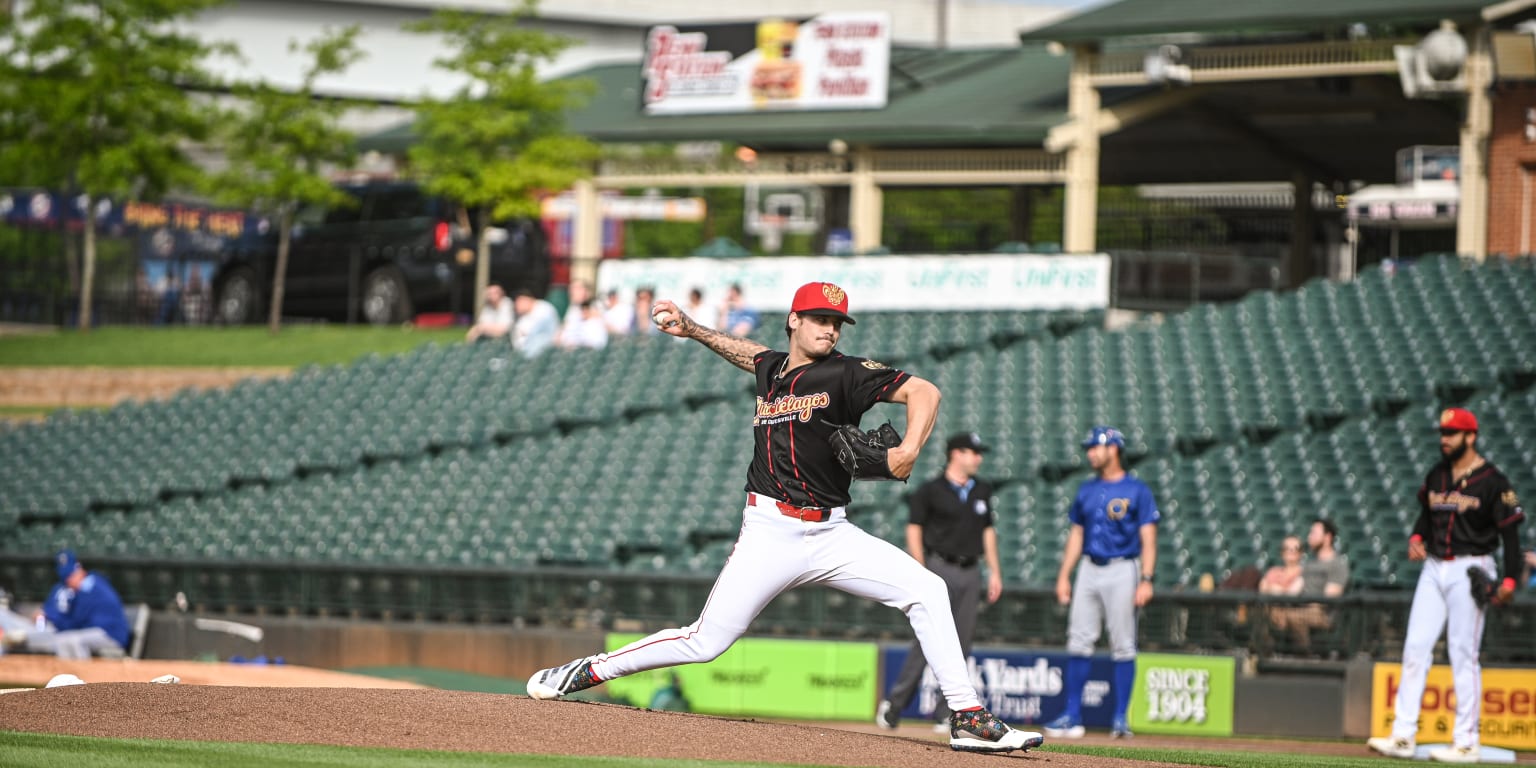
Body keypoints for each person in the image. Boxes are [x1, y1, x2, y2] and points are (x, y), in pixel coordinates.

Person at [526, 281, 1043, 754]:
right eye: (819, 318)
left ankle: (967, 717)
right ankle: (586, 670)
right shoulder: (773, 368)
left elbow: (924, 391)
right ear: (794, 320)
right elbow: (749, 354)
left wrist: (909, 448)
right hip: (770, 533)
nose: (830, 328)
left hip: (832, 532)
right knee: (706, 641)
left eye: (837, 321)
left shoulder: (846, 372)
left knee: (927, 591)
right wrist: (693, 328)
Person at [1369, 408, 1525, 764]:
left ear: (1471, 436)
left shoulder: (1493, 481)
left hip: (1472, 567)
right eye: (1443, 431)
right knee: (1414, 649)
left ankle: (1467, 741)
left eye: (1452, 432)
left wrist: (1511, 579)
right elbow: (1425, 516)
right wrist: (1416, 537)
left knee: (1462, 654)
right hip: (1435, 566)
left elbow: (1511, 535)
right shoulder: (1437, 475)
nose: (1445, 438)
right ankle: (1403, 736)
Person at [877, 431, 1004, 734]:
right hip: (939, 567)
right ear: (955, 454)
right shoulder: (931, 490)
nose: (978, 457)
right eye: (972, 452)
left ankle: (946, 711)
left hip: (970, 570)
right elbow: (914, 529)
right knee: (926, 639)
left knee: (962, 642)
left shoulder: (982, 490)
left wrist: (995, 571)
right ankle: (895, 706)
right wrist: (921, 570)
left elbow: (988, 532)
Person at [1045, 426, 1159, 740]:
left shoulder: (1137, 490)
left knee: (1123, 644)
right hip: (1089, 567)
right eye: (1090, 448)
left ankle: (1121, 718)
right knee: (1078, 640)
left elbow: (1149, 539)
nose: (1090, 453)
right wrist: (1064, 574)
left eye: (1096, 447)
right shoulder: (1086, 489)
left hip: (1124, 568)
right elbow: (1077, 535)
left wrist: (1147, 579)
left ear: (1114, 449)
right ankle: (1072, 716)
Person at [0, 550, 129, 659]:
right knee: (66, 639)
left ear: (79, 569)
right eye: (67, 577)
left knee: (68, 640)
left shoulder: (92, 587)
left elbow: (75, 622)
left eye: (72, 575)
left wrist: (50, 617)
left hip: (110, 633)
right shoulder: (69, 588)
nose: (69, 580)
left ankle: (83, 682)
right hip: (88, 630)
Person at [1268, 519, 1350, 647]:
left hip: (1321, 613)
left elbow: (1330, 598)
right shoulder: (1310, 564)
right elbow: (1294, 590)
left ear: (1327, 537)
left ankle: (1306, 654)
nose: (1309, 537)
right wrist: (1279, 593)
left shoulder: (1337, 564)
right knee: (1268, 613)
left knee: (1293, 617)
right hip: (1301, 608)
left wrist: (1304, 604)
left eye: (1314, 533)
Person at [510, 289, 559, 358]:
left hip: (546, 354)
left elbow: (546, 337)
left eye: (519, 302)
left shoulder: (544, 309)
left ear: (526, 300)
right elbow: (518, 340)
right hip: (526, 355)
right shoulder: (522, 318)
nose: (517, 306)